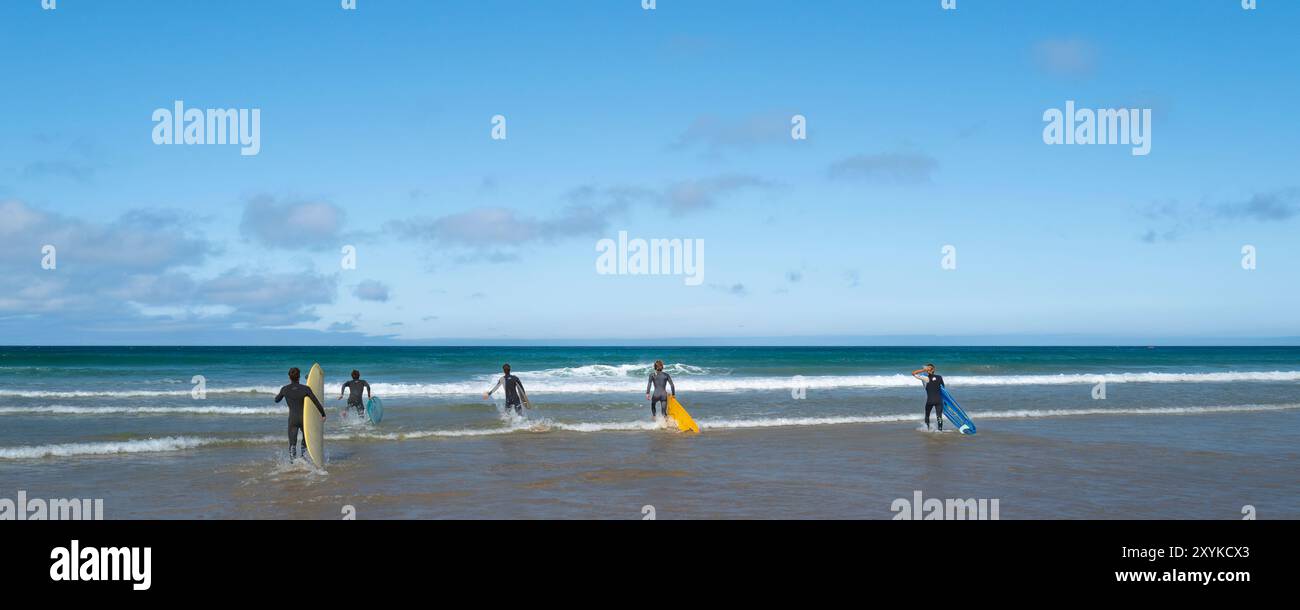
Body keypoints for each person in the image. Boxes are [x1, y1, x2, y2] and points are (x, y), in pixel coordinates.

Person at [274, 367, 326, 459]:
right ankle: (303, 457)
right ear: (299, 377)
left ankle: (293, 462)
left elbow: (276, 400)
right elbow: (316, 402)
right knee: (306, 439)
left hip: (292, 419)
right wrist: (323, 414)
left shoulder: (284, 389)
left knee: (292, 443)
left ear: (289, 377)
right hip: (304, 419)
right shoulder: (305, 389)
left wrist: (281, 393)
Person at [911, 363, 945, 431]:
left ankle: (927, 429)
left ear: (927, 370)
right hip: (939, 400)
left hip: (930, 400)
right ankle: (940, 430)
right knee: (939, 416)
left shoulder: (925, 378)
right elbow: (943, 388)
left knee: (927, 415)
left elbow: (913, 373)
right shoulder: (939, 377)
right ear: (934, 370)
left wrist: (923, 370)